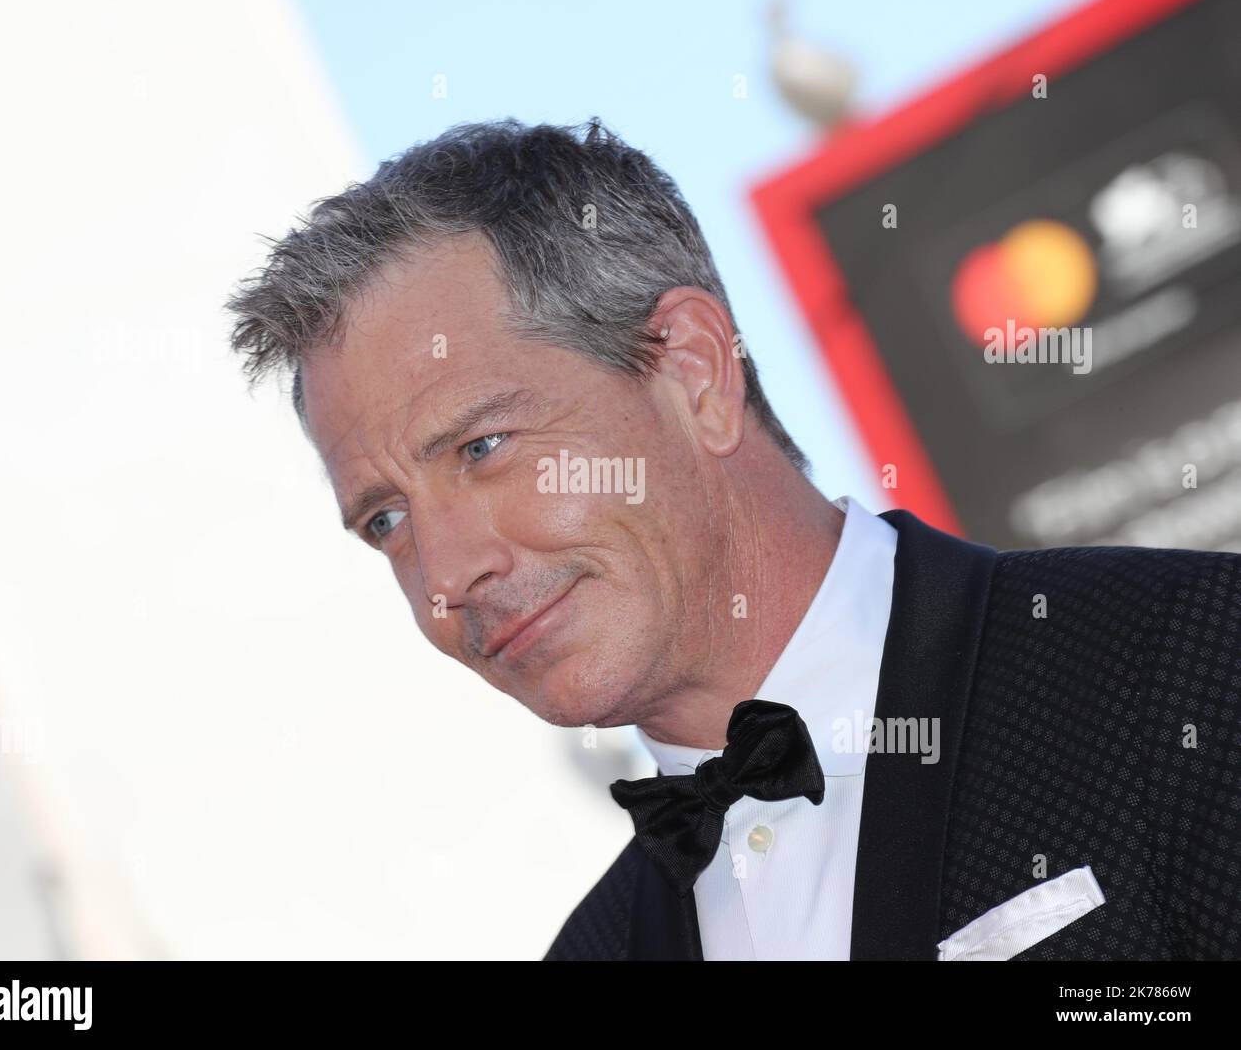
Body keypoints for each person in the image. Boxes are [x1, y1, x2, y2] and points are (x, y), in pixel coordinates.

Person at [224, 117, 1241, 960]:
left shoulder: (1190, 666)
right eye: (385, 521)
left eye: (483, 446)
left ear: (693, 374)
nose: (446, 574)